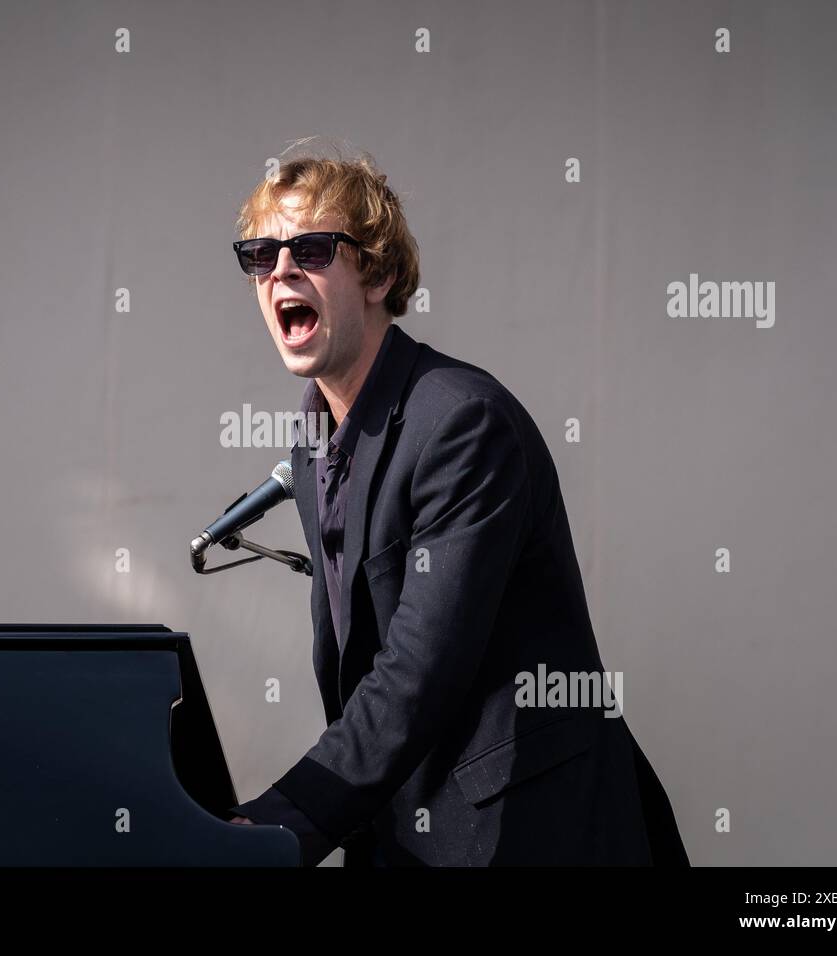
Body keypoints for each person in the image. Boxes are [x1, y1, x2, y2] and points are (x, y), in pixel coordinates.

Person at [225, 149, 689, 868]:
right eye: (262, 254)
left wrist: (281, 823)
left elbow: (418, 669)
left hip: (531, 839)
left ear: (377, 273)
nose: (281, 270)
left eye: (311, 249)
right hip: (410, 836)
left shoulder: (462, 424)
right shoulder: (315, 440)